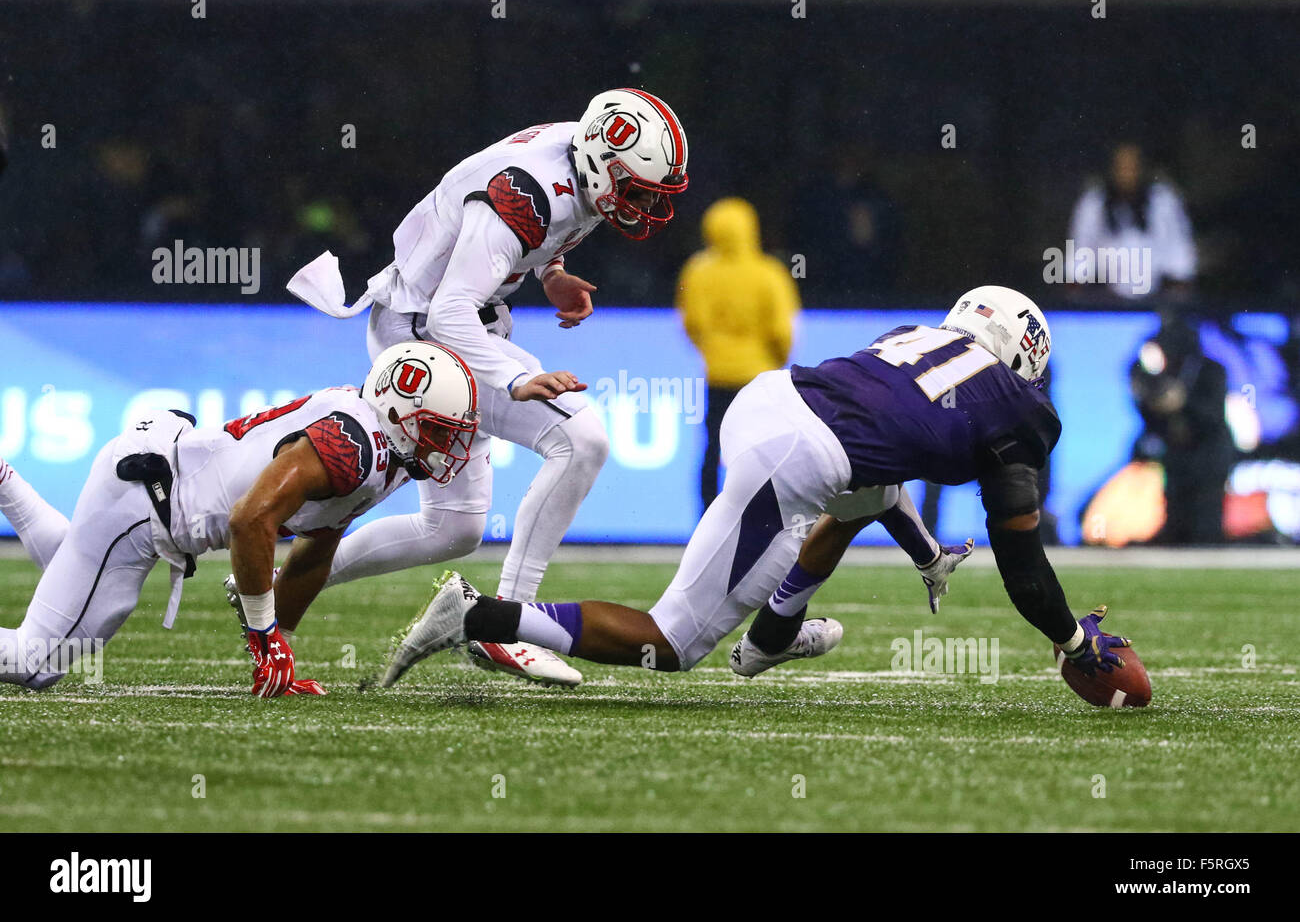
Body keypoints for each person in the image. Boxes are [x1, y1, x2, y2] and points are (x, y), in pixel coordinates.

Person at [379, 286, 1134, 687]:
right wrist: (1072, 640)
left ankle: (771, 636)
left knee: (859, 488)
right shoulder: (1019, 408)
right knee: (671, 643)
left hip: (769, 399)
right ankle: (480, 617)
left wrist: (926, 552)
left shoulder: (914, 337)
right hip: (797, 455)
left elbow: (879, 476)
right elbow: (1023, 562)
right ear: (1026, 353)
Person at [286, 88, 689, 688]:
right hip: (428, 331)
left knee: (453, 529)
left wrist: (549, 273)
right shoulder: (525, 191)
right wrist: (519, 377)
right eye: (634, 188)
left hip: (447, 320)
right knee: (581, 440)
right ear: (602, 161)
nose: (642, 205)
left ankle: (268, 587)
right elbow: (453, 310)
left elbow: (542, 233)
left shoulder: (577, 156)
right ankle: (504, 625)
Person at [0, 341, 478, 696]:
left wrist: (277, 646)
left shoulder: (382, 454)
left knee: (77, 562)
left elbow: (319, 544)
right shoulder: (354, 448)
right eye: (437, 429)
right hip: (146, 499)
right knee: (39, 661)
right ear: (400, 412)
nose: (447, 446)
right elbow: (250, 520)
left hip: (152, 472)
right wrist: (263, 636)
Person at [677, 197, 800, 510]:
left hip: (718, 376)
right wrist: (774, 360)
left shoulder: (699, 271)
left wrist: (715, 352)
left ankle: (708, 518)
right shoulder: (769, 273)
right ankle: (762, 517)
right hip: (760, 378)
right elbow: (781, 332)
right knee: (764, 452)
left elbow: (693, 323)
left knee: (711, 452)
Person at [1130, 312, 1234, 544]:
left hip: (1209, 453)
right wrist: (1150, 399)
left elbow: (1213, 416)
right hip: (1177, 452)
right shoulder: (1160, 373)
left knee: (1205, 517)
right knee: (1175, 512)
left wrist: (1183, 402)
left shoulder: (1211, 370)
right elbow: (1149, 413)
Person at [1067, 142, 1196, 304]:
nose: (1127, 174)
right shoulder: (1093, 203)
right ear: (1112, 170)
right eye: (1122, 168)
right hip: (1105, 301)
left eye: (1132, 168)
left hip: (1158, 299)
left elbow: (1180, 253)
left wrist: (1178, 292)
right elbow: (1079, 255)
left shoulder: (1164, 201)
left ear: (1142, 169)